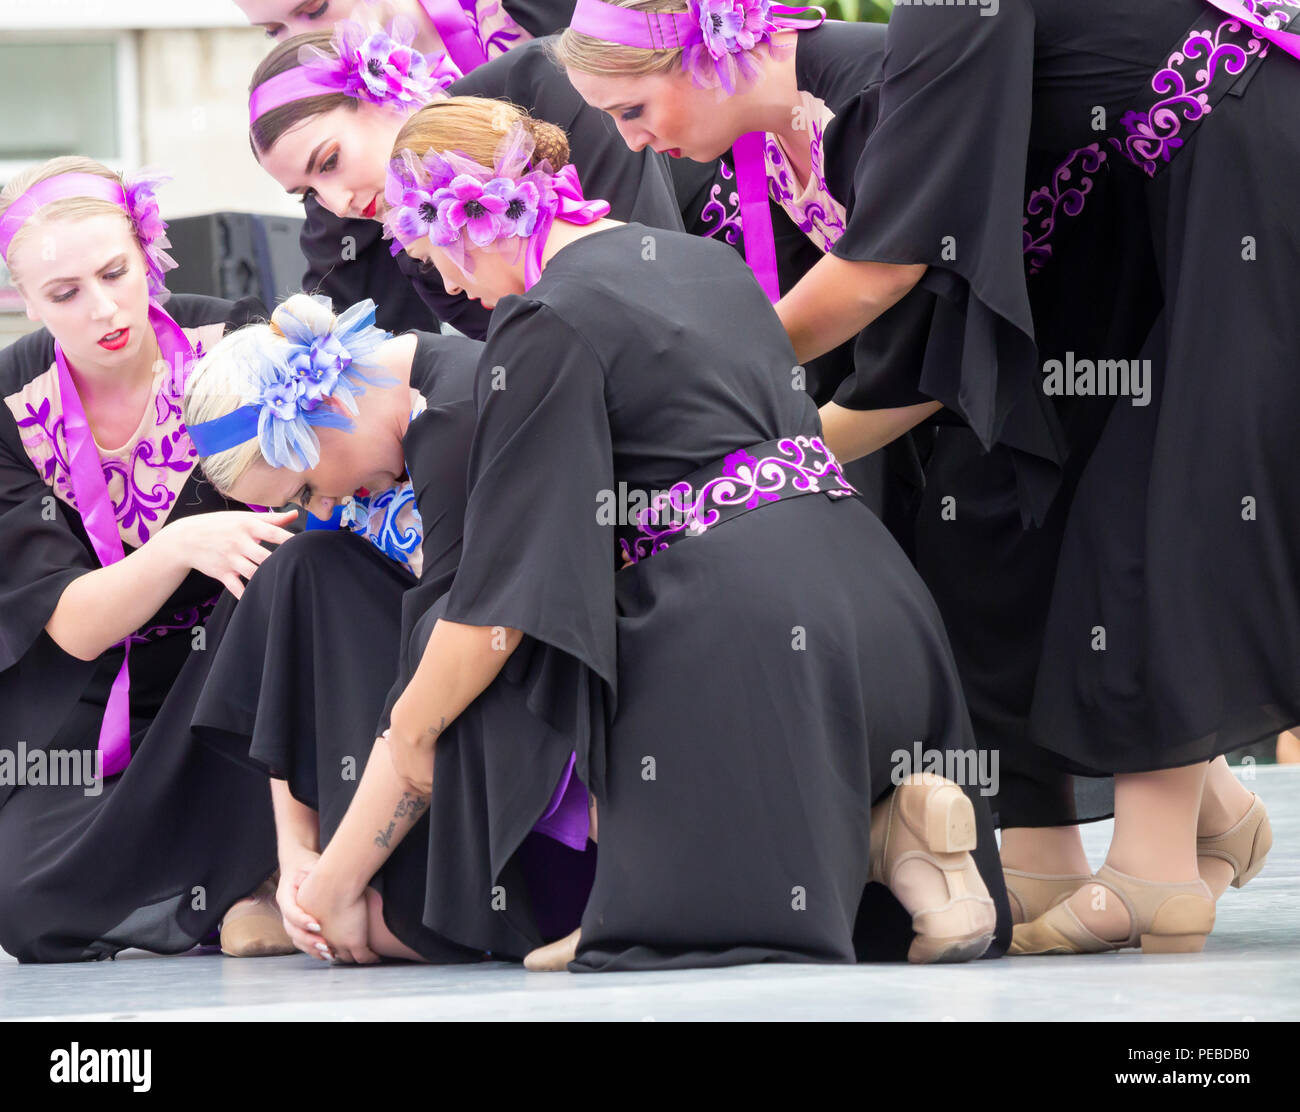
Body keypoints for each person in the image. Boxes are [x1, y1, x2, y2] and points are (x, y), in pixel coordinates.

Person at [559, 0, 1292, 954]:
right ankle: (1081, 842)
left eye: (631, 109)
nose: (638, 142)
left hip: (1228, 168)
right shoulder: (803, 136)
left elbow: (888, 281)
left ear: (713, 51)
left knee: (1157, 511)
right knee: (1001, 527)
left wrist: (708, 399)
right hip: (1149, 229)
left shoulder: (884, 74)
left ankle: (1160, 863)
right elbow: (929, 347)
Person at [335, 97, 1009, 971]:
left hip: (748, 618)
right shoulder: (707, 260)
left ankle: (656, 894)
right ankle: (895, 840)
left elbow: (509, 591)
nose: (452, 288)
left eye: (438, 259)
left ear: (472, 221)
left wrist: (412, 732)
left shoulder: (542, 321)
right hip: (879, 601)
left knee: (489, 646)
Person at [182, 289, 600, 963]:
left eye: (305, 490)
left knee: (399, 619)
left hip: (533, 713)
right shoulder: (370, 449)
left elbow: (450, 671)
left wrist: (339, 884)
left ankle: (410, 903)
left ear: (317, 410)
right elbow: (307, 640)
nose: (325, 503)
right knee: (297, 566)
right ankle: (317, 883)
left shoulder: (460, 417)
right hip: (426, 730)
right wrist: (298, 860)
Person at [0, 157, 299, 962]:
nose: (103, 309)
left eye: (114, 272)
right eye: (64, 294)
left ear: (146, 250)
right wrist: (173, 546)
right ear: (23, 299)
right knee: (27, 903)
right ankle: (220, 896)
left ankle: (265, 880)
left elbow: (307, 501)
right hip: (97, 690)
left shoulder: (229, 341)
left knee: (284, 577)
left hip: (236, 651)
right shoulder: (9, 405)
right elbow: (69, 629)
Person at [238, 13, 683, 336]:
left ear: (380, 89)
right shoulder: (410, 245)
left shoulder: (545, 83)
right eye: (308, 194)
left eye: (330, 161)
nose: (338, 204)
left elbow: (655, 275)